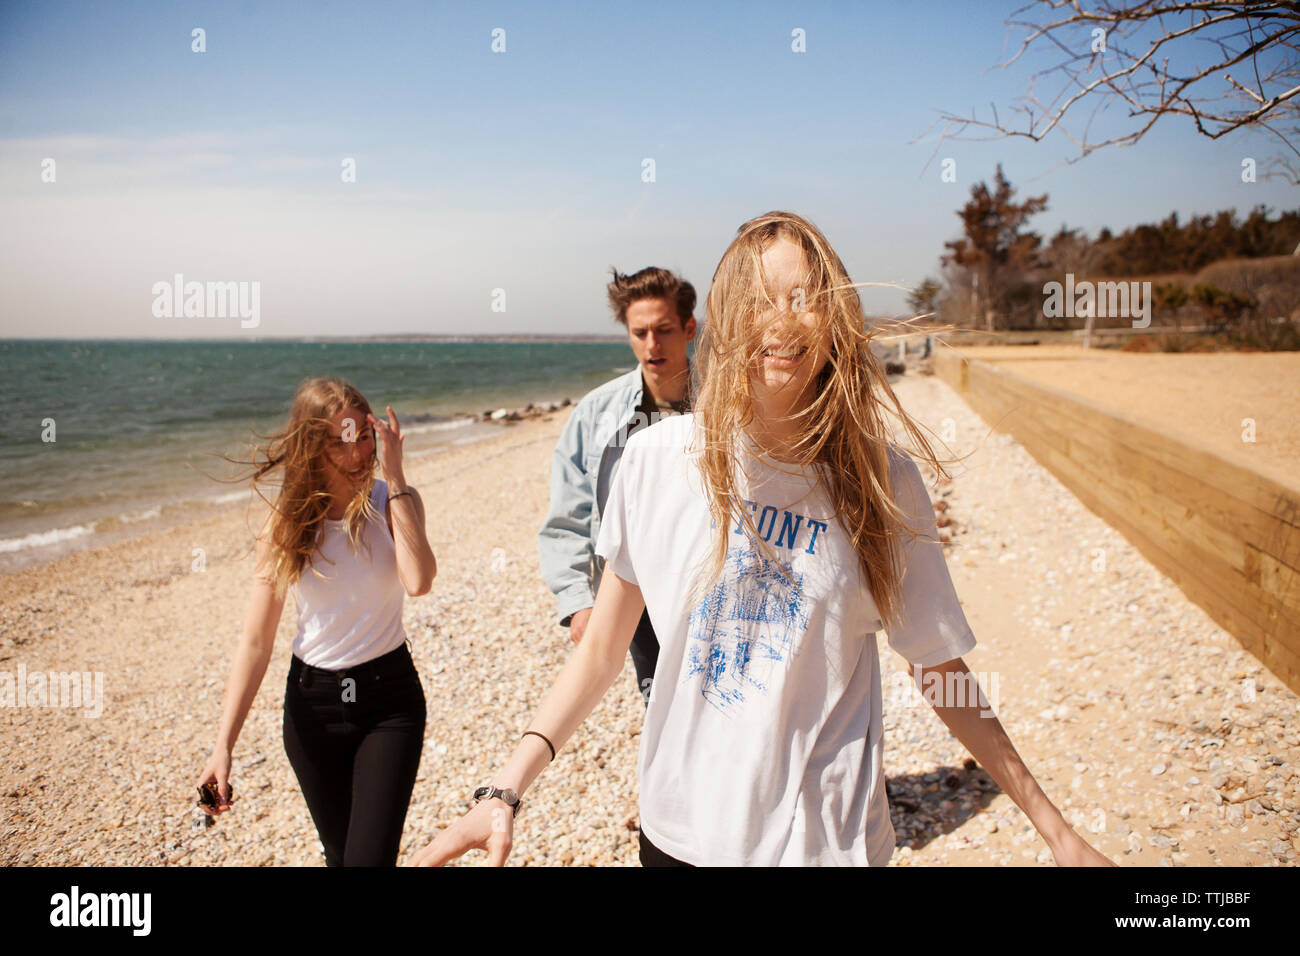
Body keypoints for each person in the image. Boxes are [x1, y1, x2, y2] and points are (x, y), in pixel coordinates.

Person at [412, 211, 1113, 867]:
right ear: (722, 321)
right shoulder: (655, 462)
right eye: (756, 300)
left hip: (823, 844)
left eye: (803, 297)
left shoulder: (879, 479)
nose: (779, 320)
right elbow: (601, 652)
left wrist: (1058, 834)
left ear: (835, 318)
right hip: (676, 835)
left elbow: (937, 666)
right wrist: (506, 787)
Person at [195, 377, 437, 866]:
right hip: (312, 707)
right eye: (338, 443)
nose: (356, 455)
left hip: (389, 702)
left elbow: (419, 581)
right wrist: (223, 746)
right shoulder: (285, 524)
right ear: (311, 447)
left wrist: (397, 476)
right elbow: (256, 641)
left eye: (363, 437)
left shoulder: (395, 502)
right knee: (340, 855)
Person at [538, 266, 697, 706]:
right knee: (663, 708)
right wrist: (578, 602)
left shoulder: (726, 401)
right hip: (634, 591)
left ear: (688, 329)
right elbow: (569, 514)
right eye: (639, 332)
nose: (652, 345)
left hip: (710, 582)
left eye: (664, 330)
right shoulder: (596, 414)